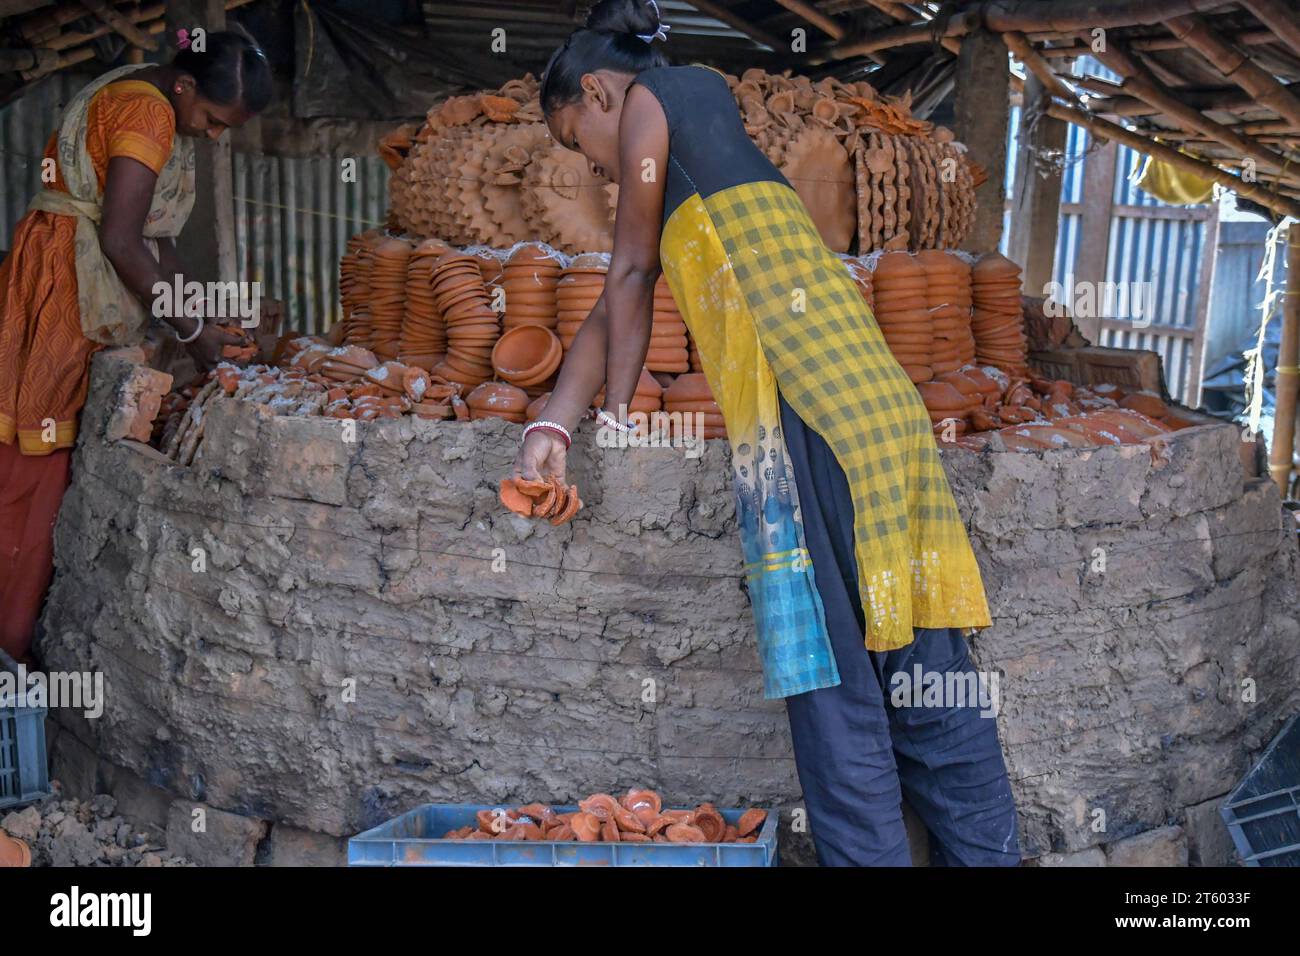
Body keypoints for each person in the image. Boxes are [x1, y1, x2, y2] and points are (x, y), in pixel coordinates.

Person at [513, 0, 1021, 866]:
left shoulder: (652, 101)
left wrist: (613, 418)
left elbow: (630, 273)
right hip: (876, 414)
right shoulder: (706, 119)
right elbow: (616, 298)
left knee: (833, 689)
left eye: (574, 141)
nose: (591, 169)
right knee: (927, 670)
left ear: (598, 92)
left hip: (806, 415)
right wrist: (552, 423)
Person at [0, 31, 272, 662]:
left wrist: (202, 317)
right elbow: (122, 242)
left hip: (78, 276)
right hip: (63, 283)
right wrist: (191, 331)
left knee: (46, 458)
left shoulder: (161, 104)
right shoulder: (147, 109)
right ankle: (9, 644)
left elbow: (161, 246)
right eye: (210, 119)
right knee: (28, 464)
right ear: (184, 85)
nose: (210, 135)